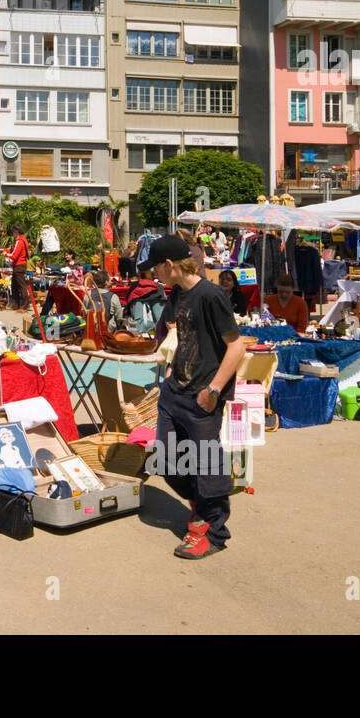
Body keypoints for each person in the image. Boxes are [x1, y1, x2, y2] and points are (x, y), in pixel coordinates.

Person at [142, 234, 244, 560]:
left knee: (207, 466)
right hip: (175, 392)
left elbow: (236, 348)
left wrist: (213, 391)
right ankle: (199, 504)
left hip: (203, 396)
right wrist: (172, 371)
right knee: (166, 459)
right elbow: (183, 338)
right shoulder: (177, 293)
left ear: (169, 265)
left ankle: (214, 532)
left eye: (155, 267)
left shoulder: (211, 296)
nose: (153, 273)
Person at [6, 224, 31, 311]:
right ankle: (15, 304)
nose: (13, 234)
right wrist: (3, 250)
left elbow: (14, 255)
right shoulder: (23, 240)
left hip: (18, 266)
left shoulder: (19, 241)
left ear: (16, 232)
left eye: (13, 232)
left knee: (21, 286)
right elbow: (14, 250)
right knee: (14, 286)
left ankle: (25, 305)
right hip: (21, 265)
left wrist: (5, 254)